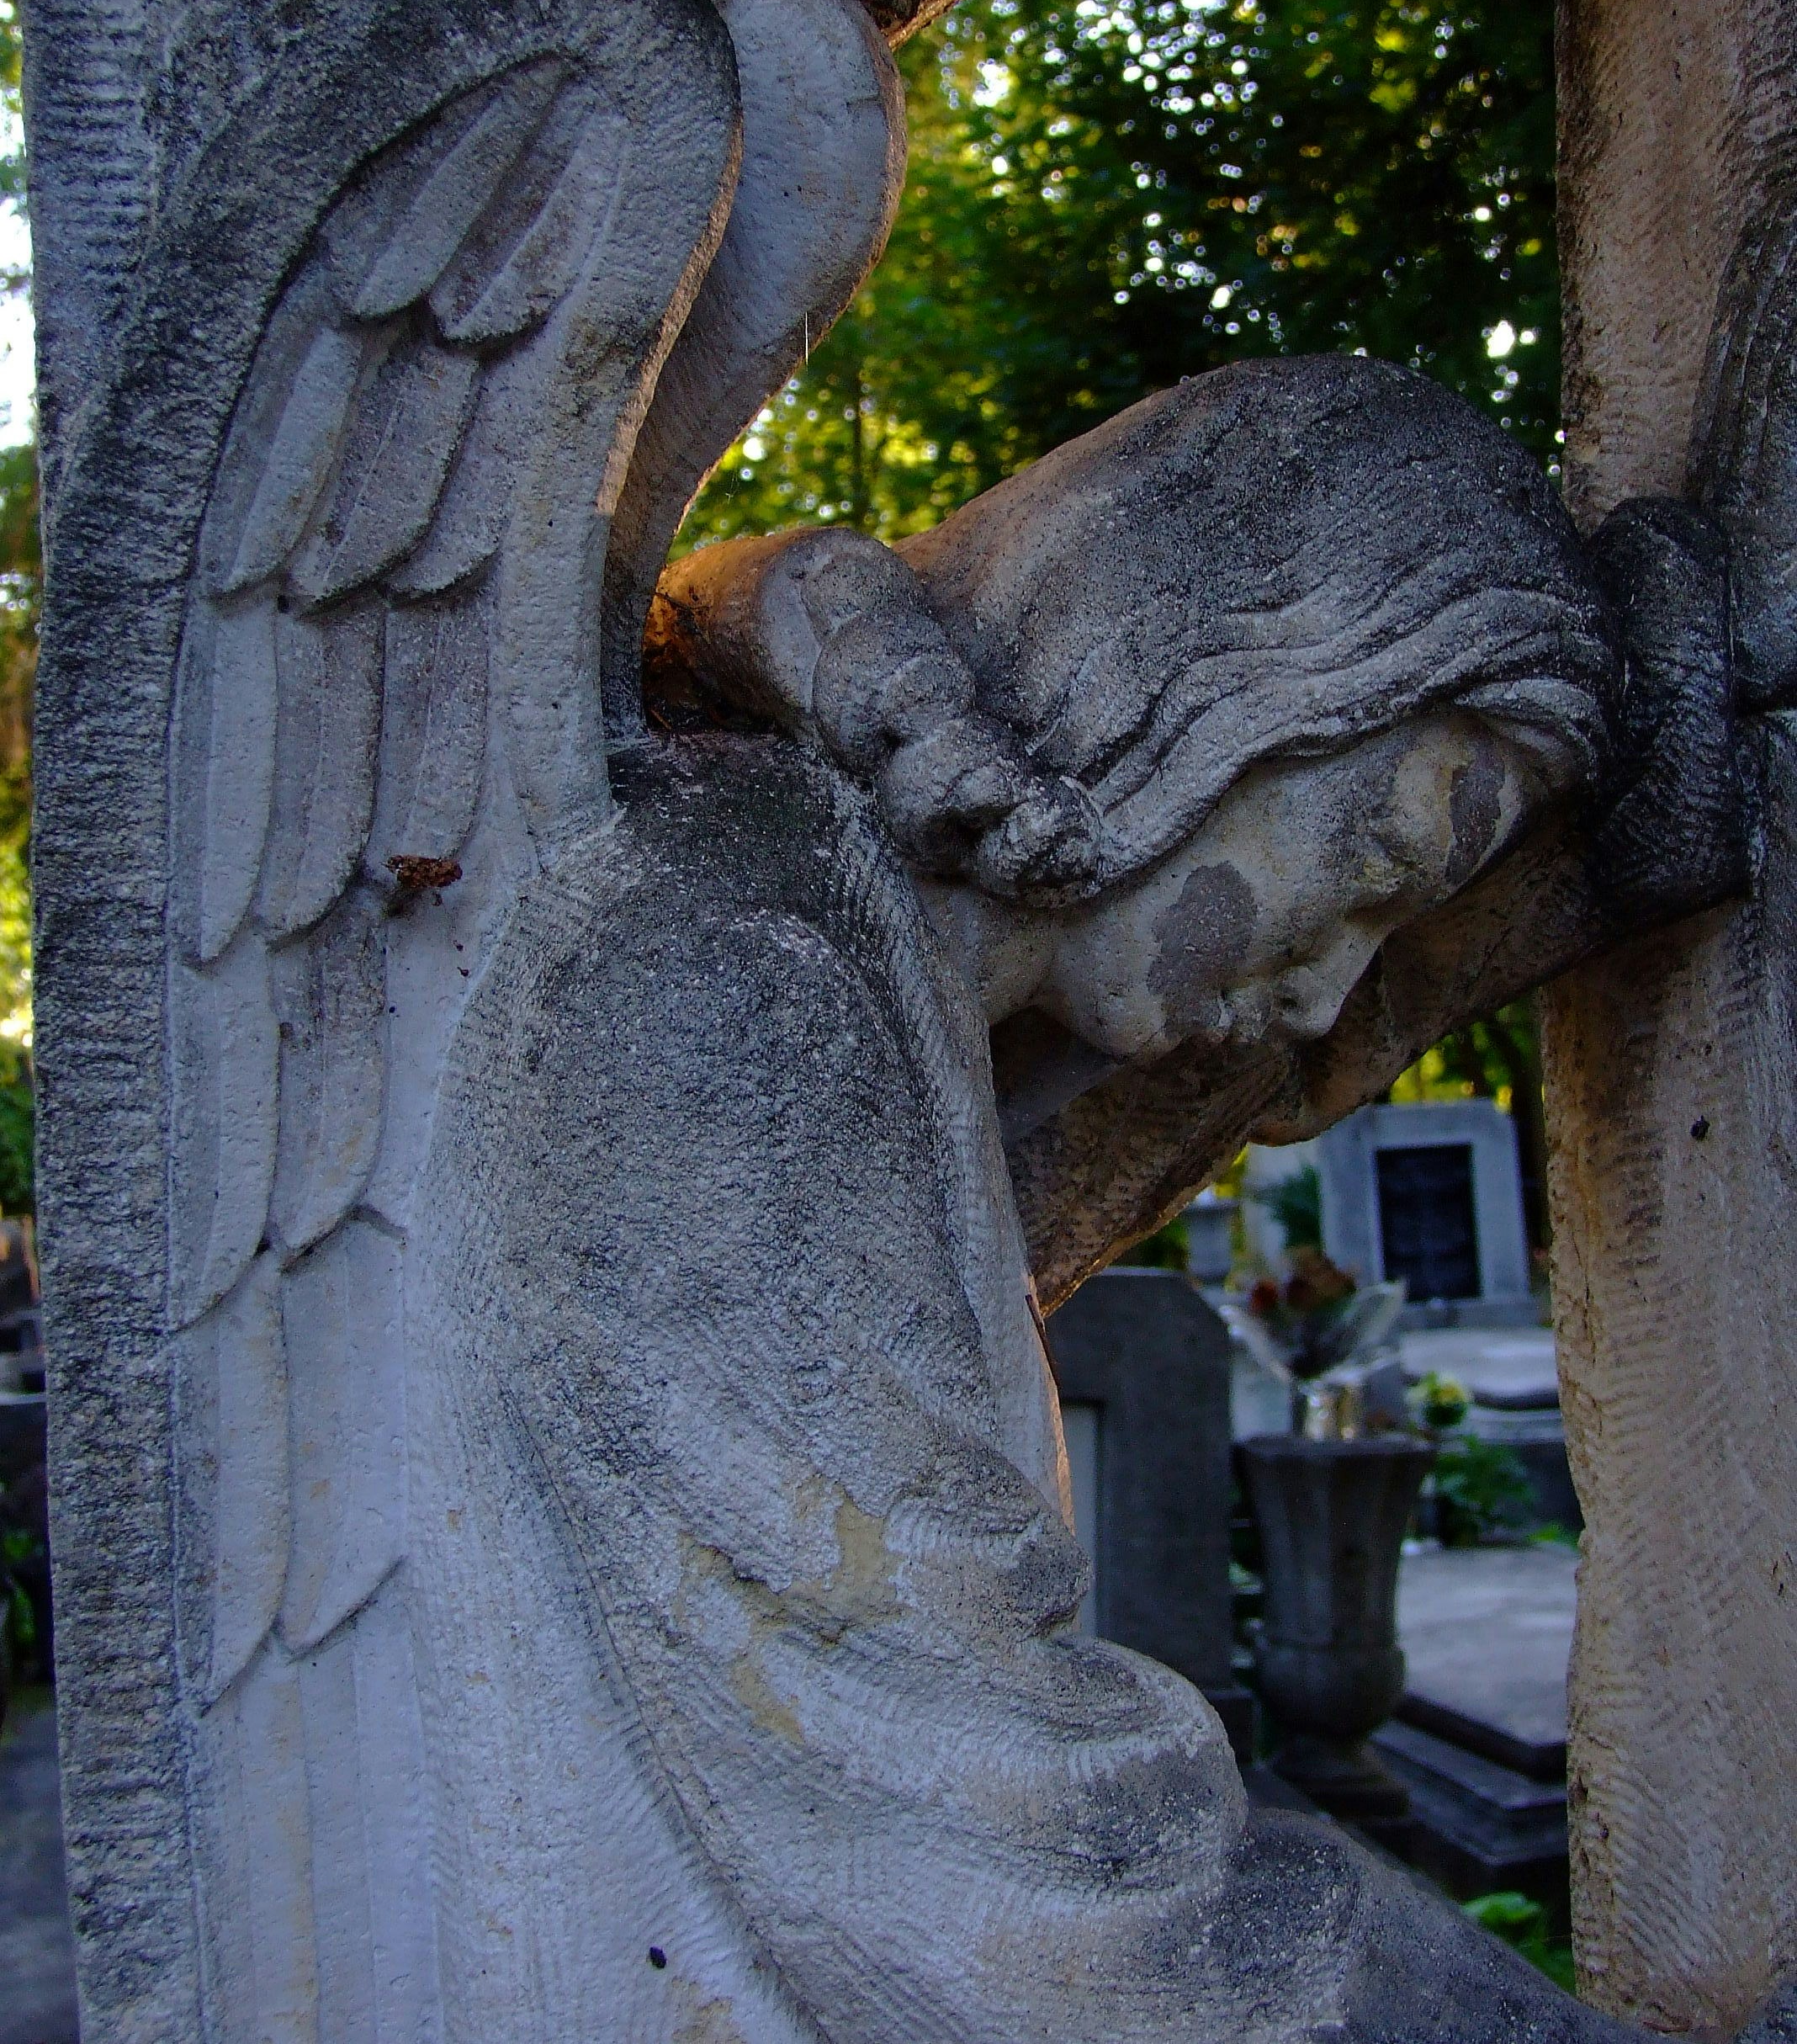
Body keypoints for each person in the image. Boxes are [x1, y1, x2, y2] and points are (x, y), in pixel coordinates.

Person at [421, 357, 1725, 2041]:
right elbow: (1016, 1867)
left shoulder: (875, 993)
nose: (1332, 998)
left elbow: (1179, 1095)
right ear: (1203, 680)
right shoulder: (733, 994)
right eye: (1374, 878)